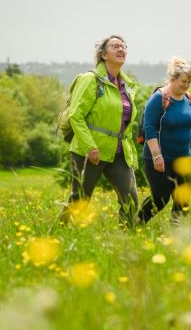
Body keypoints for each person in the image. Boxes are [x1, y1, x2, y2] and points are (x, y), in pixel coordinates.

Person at [60, 35, 141, 226]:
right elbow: (75, 115)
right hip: (89, 152)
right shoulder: (90, 80)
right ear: (104, 55)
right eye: (115, 46)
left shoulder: (127, 86)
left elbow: (125, 124)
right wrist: (90, 147)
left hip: (118, 153)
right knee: (79, 199)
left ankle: (128, 239)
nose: (121, 49)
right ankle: (58, 234)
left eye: (123, 46)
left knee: (130, 199)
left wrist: (131, 153)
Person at [138, 57, 191, 224]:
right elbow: (149, 127)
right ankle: (135, 224)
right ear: (173, 79)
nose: (186, 85)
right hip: (161, 158)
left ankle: (177, 237)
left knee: (183, 201)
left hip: (184, 159)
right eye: (183, 81)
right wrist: (157, 156)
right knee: (160, 198)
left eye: (189, 82)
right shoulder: (159, 98)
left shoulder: (188, 99)